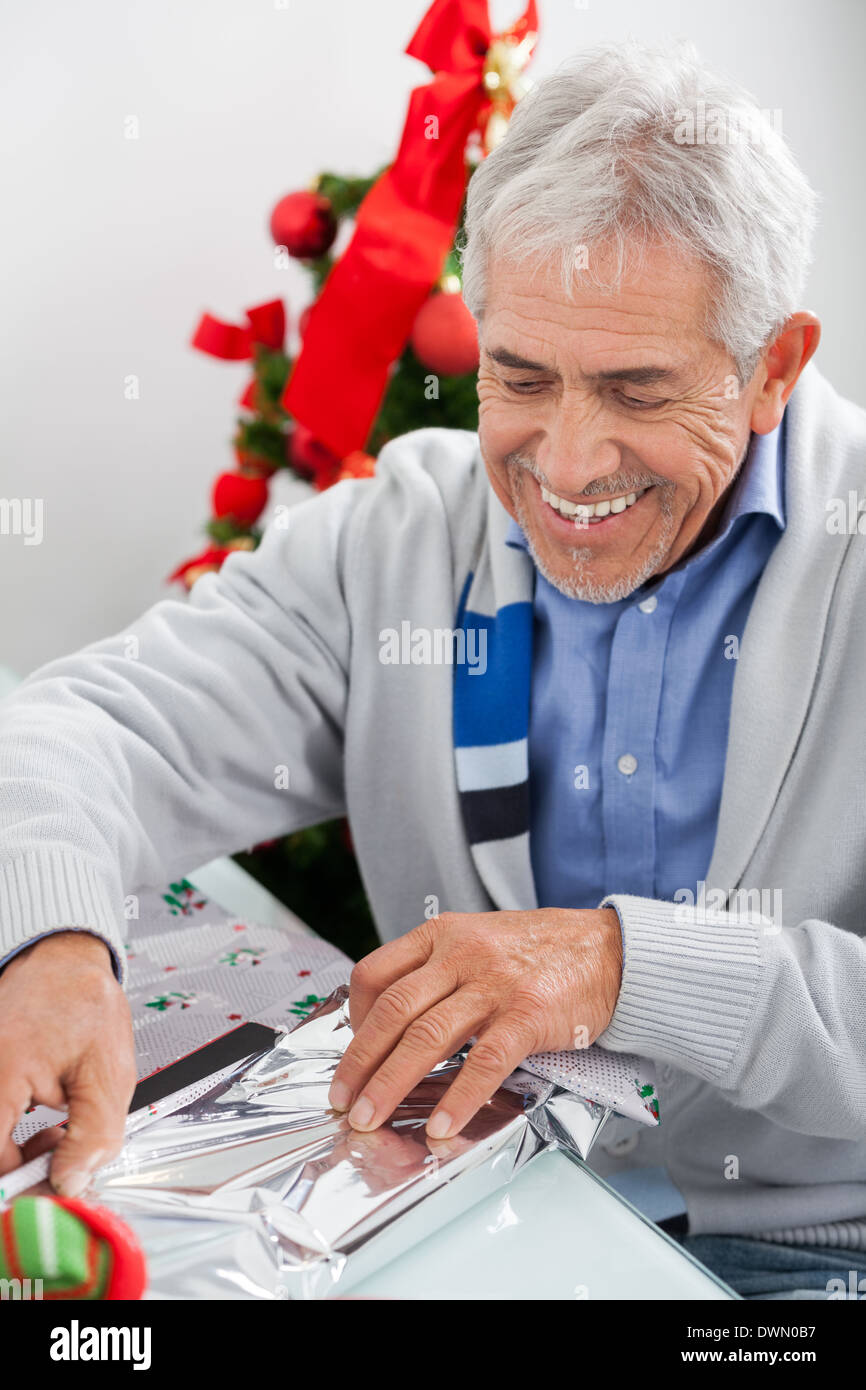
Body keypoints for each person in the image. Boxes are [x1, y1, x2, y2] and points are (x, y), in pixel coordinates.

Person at [1, 40, 864, 1300]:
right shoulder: (392, 541)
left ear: (771, 368)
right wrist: (57, 943)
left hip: (813, 1260)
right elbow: (87, 727)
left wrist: (623, 969)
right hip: (466, 1225)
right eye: (519, 376)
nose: (566, 469)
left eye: (635, 387)